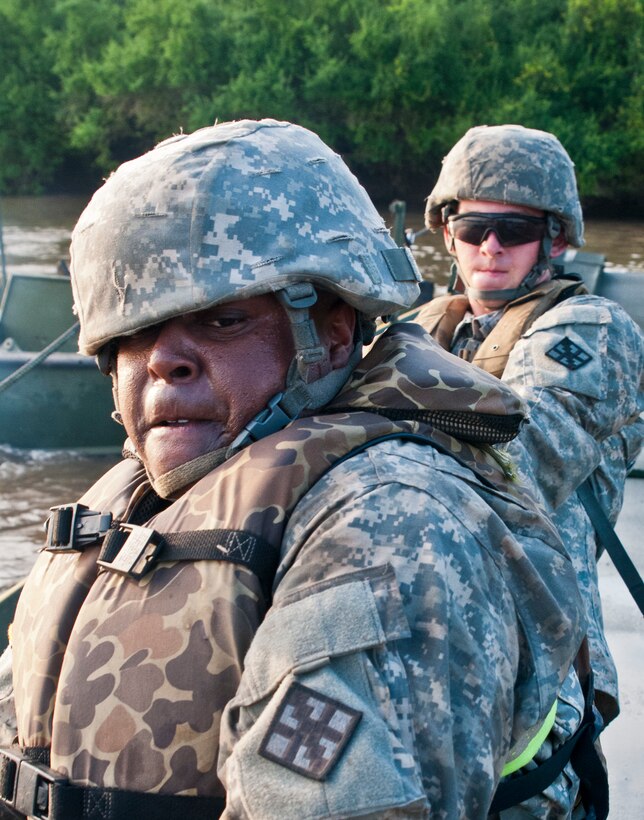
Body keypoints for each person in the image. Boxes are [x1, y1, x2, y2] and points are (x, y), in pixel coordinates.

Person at [0, 120, 585, 820]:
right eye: (132, 334)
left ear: (335, 331)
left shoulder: (392, 526)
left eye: (222, 321)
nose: (162, 360)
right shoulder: (140, 498)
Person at [415, 124, 643, 816]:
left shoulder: (592, 332)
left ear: (556, 238)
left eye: (513, 229)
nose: (489, 246)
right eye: (474, 224)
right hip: (423, 652)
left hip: (535, 669)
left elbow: (515, 456)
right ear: (448, 231)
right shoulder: (415, 330)